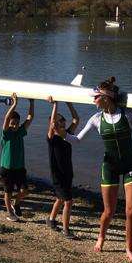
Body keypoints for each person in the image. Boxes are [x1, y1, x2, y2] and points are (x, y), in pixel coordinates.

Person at [75, 77, 132, 262]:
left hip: (130, 164)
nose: (93, 100)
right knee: (109, 211)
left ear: (106, 98)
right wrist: (61, 134)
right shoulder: (95, 119)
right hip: (109, 166)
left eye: (96, 97)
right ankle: (101, 236)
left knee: (131, 210)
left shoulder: (128, 115)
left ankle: (129, 249)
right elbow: (77, 140)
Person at [46, 97, 80, 237]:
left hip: (67, 173)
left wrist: (69, 102)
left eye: (63, 120)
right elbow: (52, 124)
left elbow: (76, 119)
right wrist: (55, 104)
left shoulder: (67, 135)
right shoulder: (52, 138)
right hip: (58, 175)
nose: (63, 122)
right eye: (60, 121)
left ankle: (51, 220)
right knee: (68, 201)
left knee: (60, 198)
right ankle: (66, 230)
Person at [0, 93, 34, 221]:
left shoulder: (20, 131)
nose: (14, 125)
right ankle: (10, 212)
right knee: (7, 192)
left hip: (19, 168)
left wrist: (32, 102)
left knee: (25, 191)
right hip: (7, 168)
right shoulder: (6, 134)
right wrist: (14, 104)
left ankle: (16, 203)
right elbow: (6, 118)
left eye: (16, 123)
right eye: (12, 123)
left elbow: (30, 118)